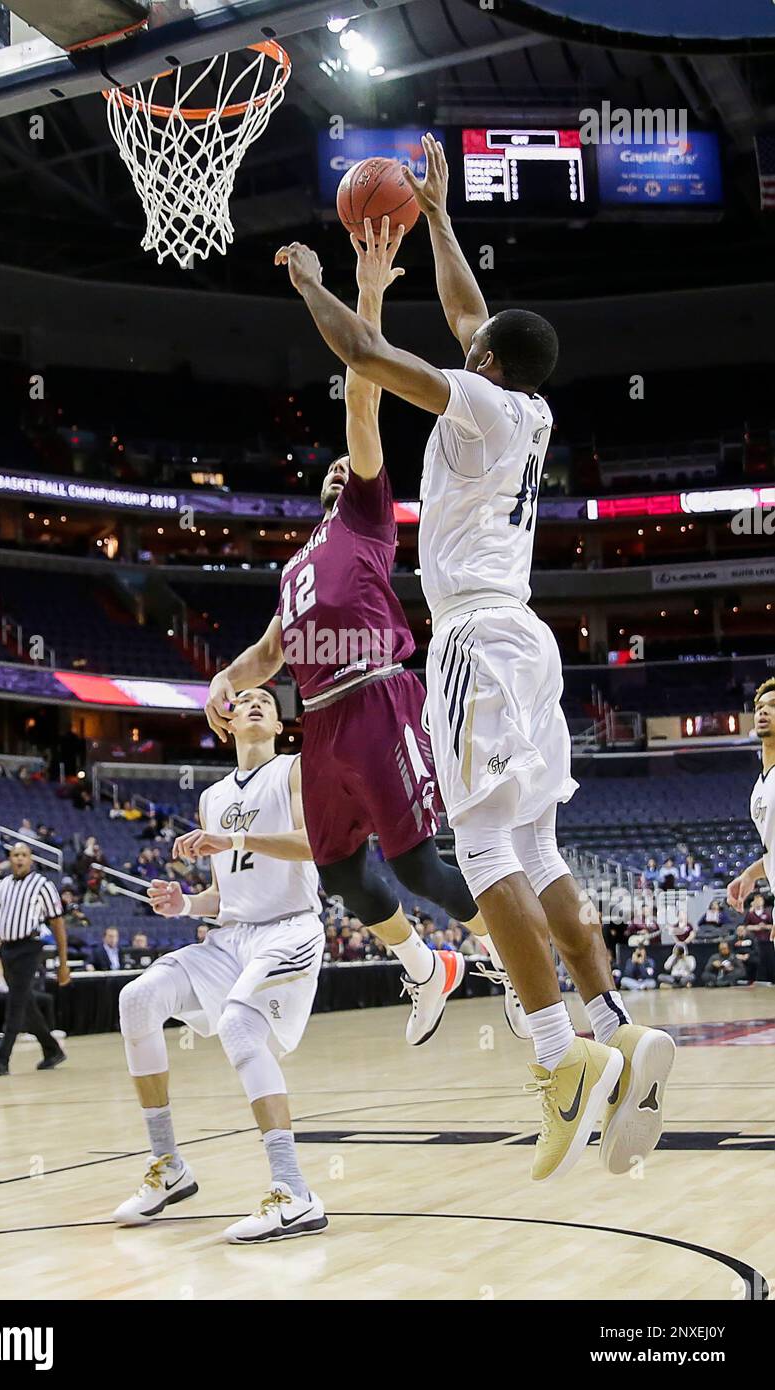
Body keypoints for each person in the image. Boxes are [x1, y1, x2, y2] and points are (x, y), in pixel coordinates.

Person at [275, 132, 676, 1181]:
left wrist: (317, 284)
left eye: (476, 342)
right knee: (539, 855)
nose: (467, 338)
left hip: (473, 640)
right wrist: (443, 220)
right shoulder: (530, 408)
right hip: (529, 641)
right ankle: (615, 1021)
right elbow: (466, 316)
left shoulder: (487, 397)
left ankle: (557, 1058)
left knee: (487, 852)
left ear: (488, 361)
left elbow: (368, 359)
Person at [206, 220, 520, 1051]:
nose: (347, 464)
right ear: (316, 488)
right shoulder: (297, 563)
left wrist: (364, 286)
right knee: (342, 872)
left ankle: (514, 969)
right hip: (320, 722)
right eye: (337, 466)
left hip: (378, 696)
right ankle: (425, 968)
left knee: (418, 863)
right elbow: (269, 653)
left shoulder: (368, 518)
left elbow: (361, 388)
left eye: (355, 461)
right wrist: (221, 681)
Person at [113, 688, 328, 1243]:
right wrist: (184, 904)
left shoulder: (297, 769)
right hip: (233, 936)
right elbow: (223, 895)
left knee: (238, 1025)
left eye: (266, 700)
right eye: (245, 700)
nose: (255, 702)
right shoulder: (211, 797)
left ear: (281, 723)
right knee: (136, 1000)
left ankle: (295, 1193)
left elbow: (314, 844)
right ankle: (170, 1168)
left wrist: (231, 837)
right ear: (227, 724)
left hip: (290, 927)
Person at [0, 844, 70, 1075]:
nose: (19, 859)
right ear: (10, 858)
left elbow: (57, 924)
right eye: (15, 855)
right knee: (25, 1002)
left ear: (30, 859)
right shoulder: (1, 886)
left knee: (16, 1002)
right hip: (7, 948)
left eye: (24, 855)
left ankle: (1, 1058)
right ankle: (51, 1049)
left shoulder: (43, 885)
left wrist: (63, 963)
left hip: (29, 946)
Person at [728, 683, 775, 984]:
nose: (764, 711)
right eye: (760, 707)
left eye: (773, 705)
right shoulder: (759, 788)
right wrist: (750, 875)